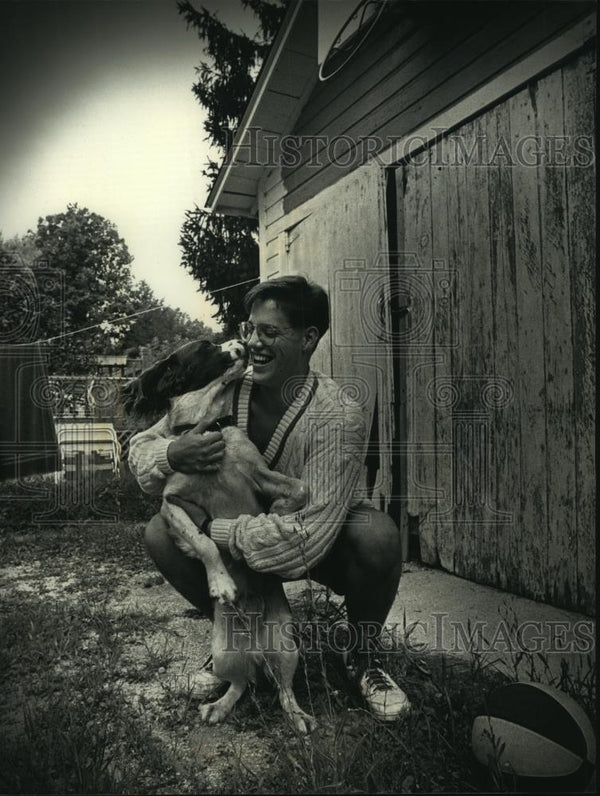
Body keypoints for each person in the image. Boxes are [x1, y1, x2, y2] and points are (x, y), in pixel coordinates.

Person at [128, 275, 410, 721]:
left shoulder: (338, 415)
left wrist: (210, 530)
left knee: (377, 535)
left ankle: (361, 654)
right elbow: (142, 456)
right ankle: (239, 633)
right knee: (160, 534)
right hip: (242, 539)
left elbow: (308, 537)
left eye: (271, 333)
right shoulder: (223, 385)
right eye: (250, 329)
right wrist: (171, 452)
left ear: (309, 339)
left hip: (314, 542)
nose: (254, 342)